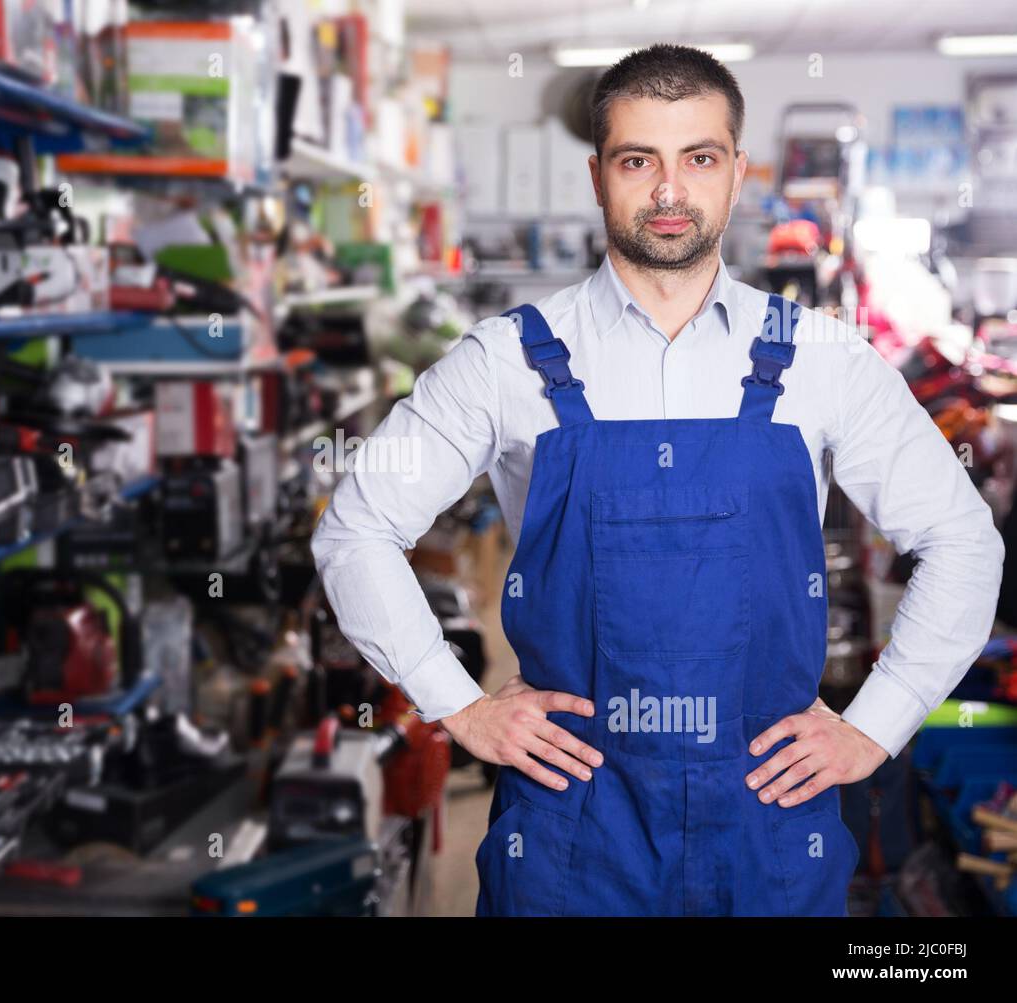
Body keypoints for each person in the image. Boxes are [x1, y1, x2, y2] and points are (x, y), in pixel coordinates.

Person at [310, 43, 1003, 916]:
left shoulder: (826, 362)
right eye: (639, 161)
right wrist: (459, 706)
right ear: (598, 176)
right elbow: (356, 526)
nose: (670, 192)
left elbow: (964, 542)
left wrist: (877, 721)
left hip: (769, 823)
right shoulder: (506, 362)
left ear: (737, 172)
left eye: (699, 159)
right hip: (573, 824)